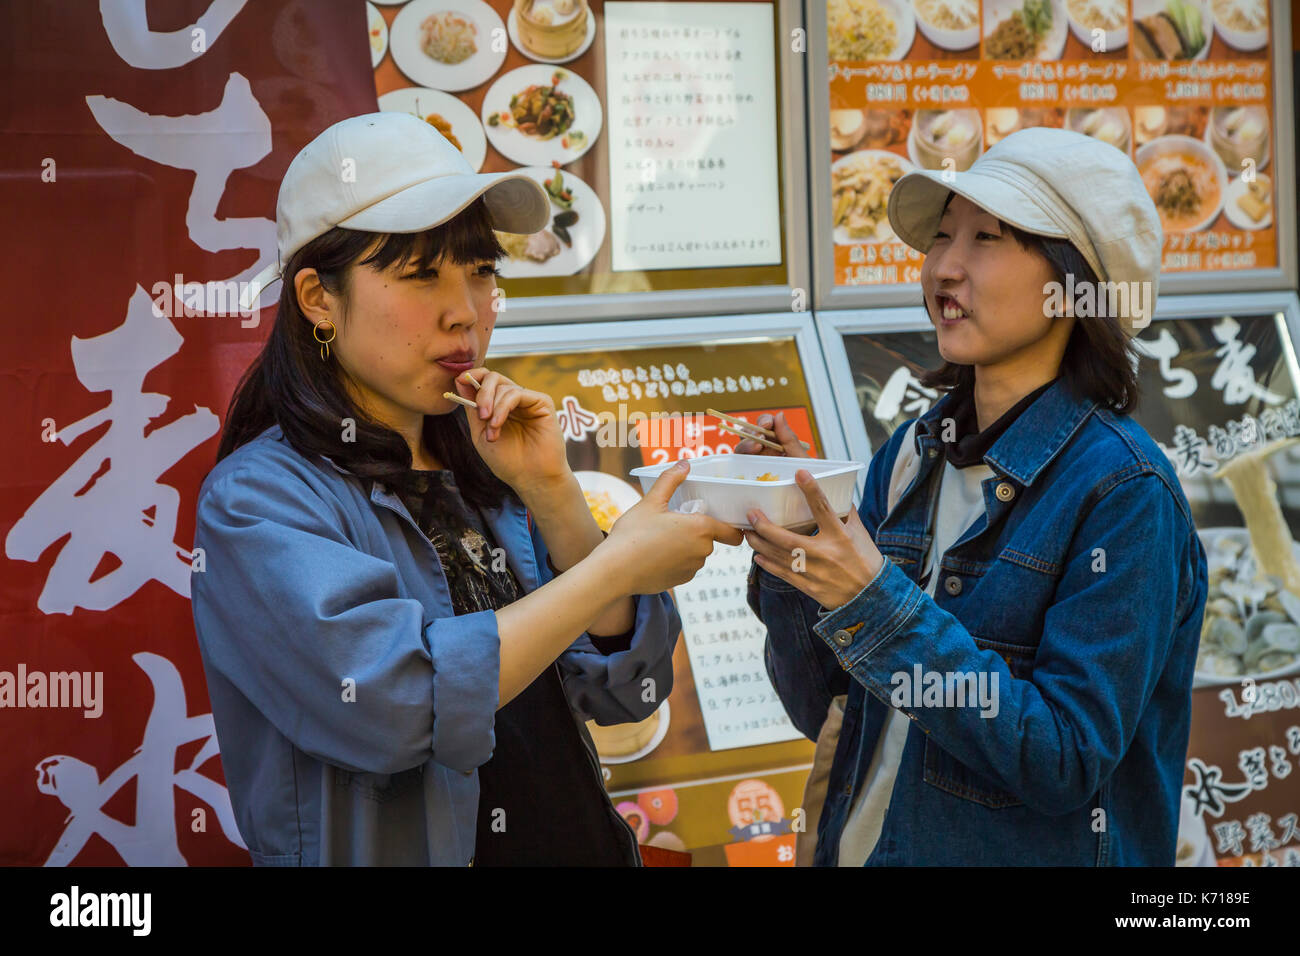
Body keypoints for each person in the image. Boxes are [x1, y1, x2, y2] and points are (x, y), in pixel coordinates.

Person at [190, 112, 742, 866]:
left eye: (481, 271)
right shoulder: (258, 500)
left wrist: (553, 492)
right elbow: (398, 708)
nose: (466, 312)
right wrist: (620, 564)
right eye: (422, 274)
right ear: (319, 298)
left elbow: (626, 693)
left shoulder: (483, 465)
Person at [739, 127, 1208, 866]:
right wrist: (798, 540)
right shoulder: (907, 456)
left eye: (987, 239)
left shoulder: (1125, 492)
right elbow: (828, 707)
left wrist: (874, 601)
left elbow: (1065, 759)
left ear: (1071, 283)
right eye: (942, 236)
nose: (944, 268)